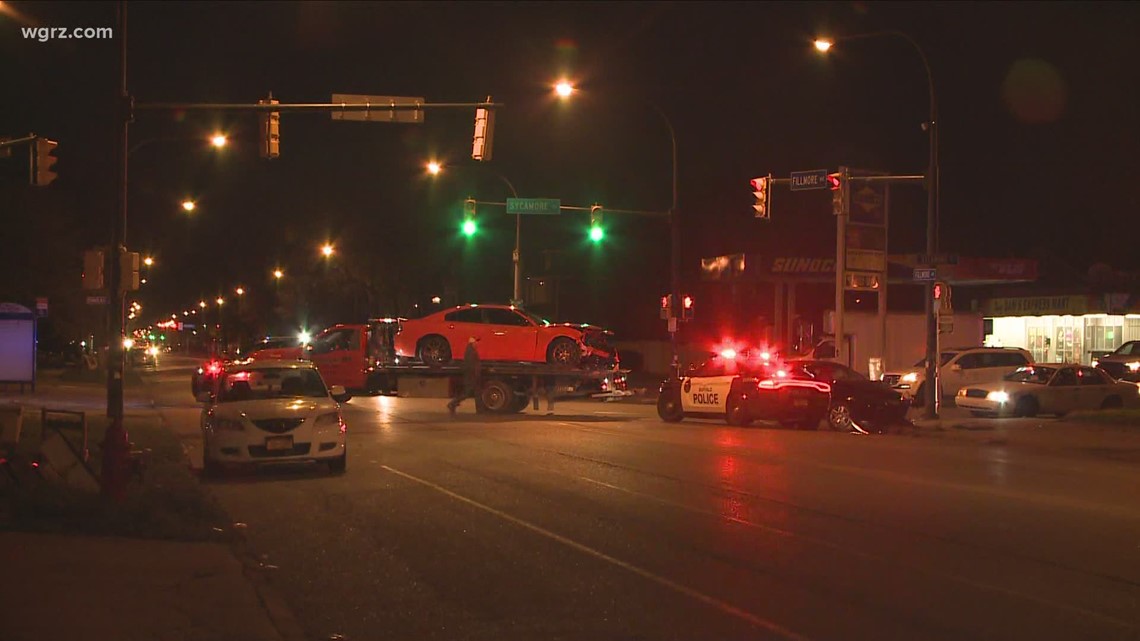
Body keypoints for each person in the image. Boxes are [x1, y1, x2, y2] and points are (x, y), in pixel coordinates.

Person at [448, 337, 481, 416]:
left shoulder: (470, 351)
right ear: (472, 343)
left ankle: (480, 410)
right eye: (476, 342)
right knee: (467, 393)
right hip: (471, 376)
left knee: (475, 392)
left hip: (471, 375)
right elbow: (471, 365)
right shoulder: (471, 352)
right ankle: (452, 404)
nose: (477, 344)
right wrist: (475, 374)